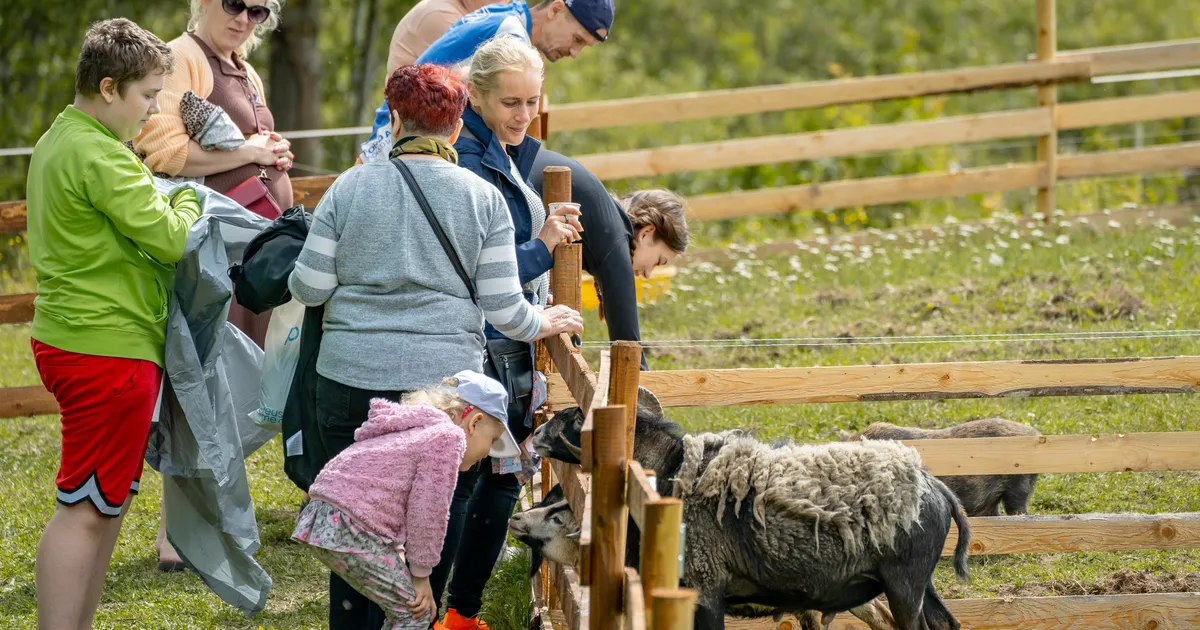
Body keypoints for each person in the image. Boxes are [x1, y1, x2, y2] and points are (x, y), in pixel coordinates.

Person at [287, 62, 583, 630]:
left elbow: (308, 286)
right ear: (455, 126)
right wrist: (542, 321)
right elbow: (504, 309)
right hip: (443, 396)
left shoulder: (350, 186)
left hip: (350, 380)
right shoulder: (482, 199)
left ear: (395, 118)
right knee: (437, 514)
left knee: (357, 514)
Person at [25, 18, 202, 629]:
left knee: (103, 502)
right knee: (84, 508)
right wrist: (183, 192)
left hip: (81, 339)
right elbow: (174, 236)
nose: (152, 109)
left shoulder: (60, 139)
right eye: (148, 95)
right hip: (106, 349)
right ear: (108, 87)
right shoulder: (100, 153)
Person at [425, 36, 574, 630]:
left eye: (533, 100)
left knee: (499, 478)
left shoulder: (501, 150)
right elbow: (487, 267)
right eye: (510, 102)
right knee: (465, 481)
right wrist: (546, 245)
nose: (523, 114)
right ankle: (435, 613)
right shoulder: (467, 160)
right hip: (478, 339)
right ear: (476, 97)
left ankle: (457, 613)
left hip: (501, 341)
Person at [292, 371, 518, 630]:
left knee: (405, 605)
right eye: (492, 441)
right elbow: (428, 510)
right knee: (415, 613)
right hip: (350, 526)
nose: (489, 452)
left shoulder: (411, 428)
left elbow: (387, 498)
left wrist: (399, 555)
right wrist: (421, 575)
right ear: (474, 422)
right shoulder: (448, 437)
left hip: (322, 516)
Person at [135, 0, 294, 349]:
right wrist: (253, 153)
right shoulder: (180, 57)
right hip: (217, 251)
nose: (242, 19)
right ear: (204, 3)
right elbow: (165, 154)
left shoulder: (247, 70)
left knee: (261, 359)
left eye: (256, 12)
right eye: (234, 4)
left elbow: (251, 141)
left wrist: (275, 149)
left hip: (258, 252)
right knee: (226, 359)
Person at [360, 0, 614, 163]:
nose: (575, 53)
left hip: (398, 134)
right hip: (395, 142)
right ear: (556, 9)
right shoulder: (511, 38)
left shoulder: (507, 14)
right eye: (577, 39)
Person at [529, 152, 691, 369]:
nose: (648, 274)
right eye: (658, 261)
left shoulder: (606, 222)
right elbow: (628, 347)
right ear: (646, 233)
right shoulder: (614, 243)